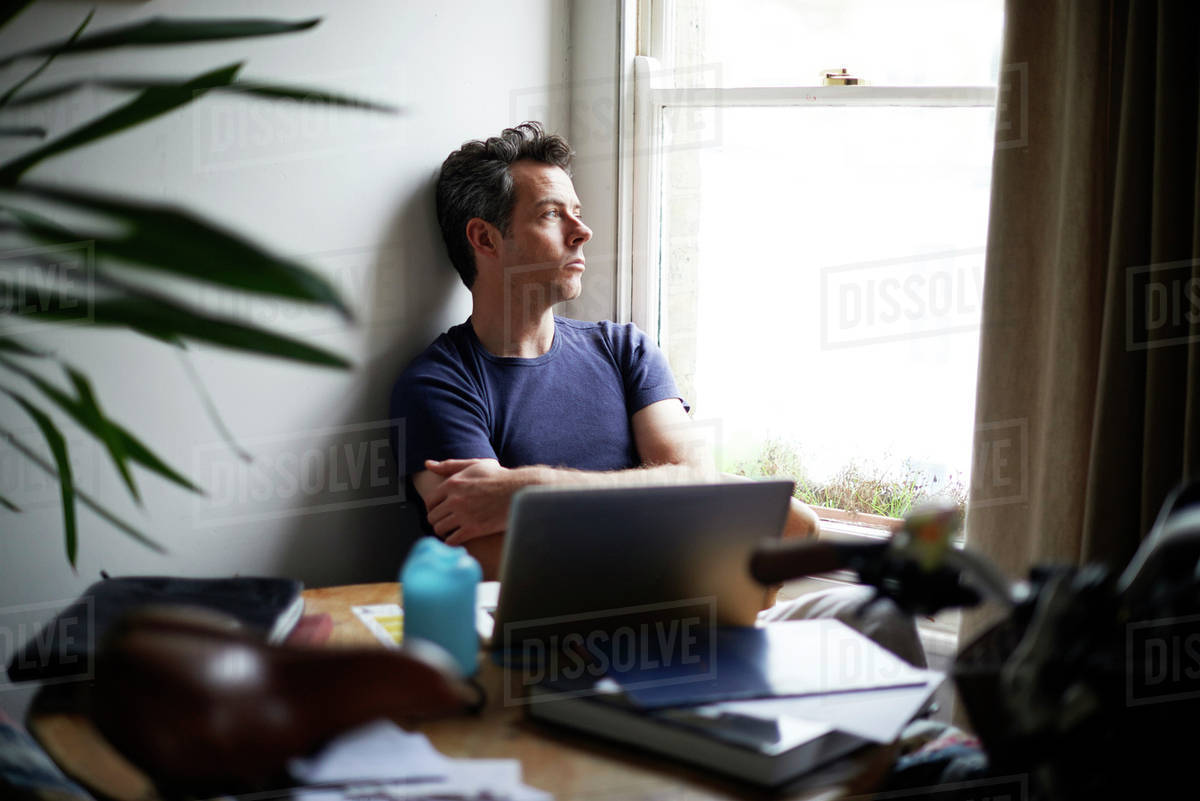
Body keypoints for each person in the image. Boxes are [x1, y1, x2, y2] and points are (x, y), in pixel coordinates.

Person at [391, 122, 925, 667]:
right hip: (574, 652)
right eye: (553, 214)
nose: (583, 231)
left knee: (877, 611)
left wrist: (531, 489)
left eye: (577, 211)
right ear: (485, 239)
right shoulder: (438, 385)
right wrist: (669, 511)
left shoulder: (624, 349)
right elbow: (493, 562)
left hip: (708, 622)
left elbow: (697, 480)